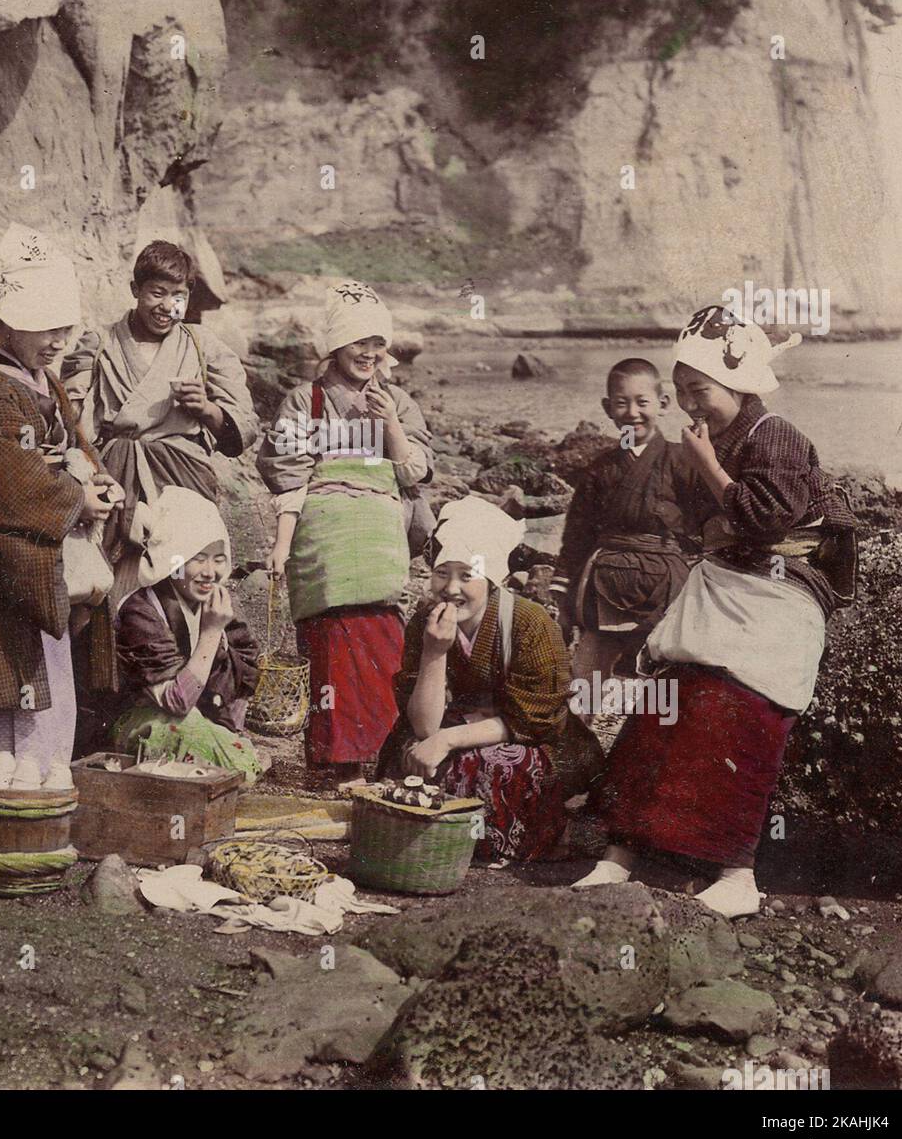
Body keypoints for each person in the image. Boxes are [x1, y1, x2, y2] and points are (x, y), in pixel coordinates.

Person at [574, 306, 858, 917]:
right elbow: (707, 521)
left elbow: (766, 519)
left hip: (781, 595)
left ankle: (737, 873)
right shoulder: (723, 437)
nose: (690, 405)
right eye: (681, 394)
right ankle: (623, 852)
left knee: (741, 713)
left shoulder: (774, 434)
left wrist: (706, 470)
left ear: (739, 386)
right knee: (666, 708)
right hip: (729, 585)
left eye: (698, 391)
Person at [0, 226, 119, 781]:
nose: (58, 339)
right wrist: (77, 498)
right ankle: (6, 800)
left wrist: (99, 480)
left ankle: (36, 791)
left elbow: (75, 445)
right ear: (5, 322)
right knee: (9, 678)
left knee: (42, 674)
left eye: (64, 326)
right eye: (43, 327)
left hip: (36, 549)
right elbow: (6, 478)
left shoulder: (37, 377)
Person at [258, 280, 434, 785]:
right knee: (331, 642)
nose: (370, 353)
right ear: (335, 345)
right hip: (325, 540)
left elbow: (415, 475)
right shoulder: (304, 400)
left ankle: (379, 757)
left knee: (382, 645)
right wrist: (281, 546)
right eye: (360, 343)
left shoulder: (397, 400)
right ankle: (335, 762)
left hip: (380, 537)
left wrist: (391, 426)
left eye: (378, 344)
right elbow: (289, 476)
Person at [60, 240, 258, 617]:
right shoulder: (98, 343)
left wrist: (207, 408)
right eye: (157, 293)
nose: (168, 307)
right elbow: (71, 417)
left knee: (180, 582)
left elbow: (245, 427)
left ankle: (182, 671)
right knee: (111, 585)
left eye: (179, 296)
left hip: (183, 478)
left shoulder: (204, 347)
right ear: (135, 290)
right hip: (115, 477)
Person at [377, 497, 576, 861]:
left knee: (496, 763)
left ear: (492, 577)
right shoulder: (426, 622)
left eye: (467, 576)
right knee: (414, 756)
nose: (451, 589)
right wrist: (435, 652)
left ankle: (495, 846)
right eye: (442, 573)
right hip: (447, 723)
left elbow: (534, 718)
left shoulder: (531, 624)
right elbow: (423, 725)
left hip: (520, 733)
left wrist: (449, 740)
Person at [549, 357, 697, 736]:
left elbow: (702, 531)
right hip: (605, 587)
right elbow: (576, 536)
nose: (632, 413)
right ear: (607, 408)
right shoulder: (600, 469)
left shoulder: (682, 460)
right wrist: (563, 601)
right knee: (584, 685)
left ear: (663, 404)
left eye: (642, 402)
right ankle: (571, 762)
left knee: (665, 686)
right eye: (621, 403)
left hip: (666, 587)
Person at [90, 486, 263, 782]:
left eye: (218, 558)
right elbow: (177, 702)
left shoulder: (215, 604)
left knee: (213, 738)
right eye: (198, 558)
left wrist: (229, 734)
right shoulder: (141, 610)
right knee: (188, 728)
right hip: (142, 722)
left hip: (198, 721)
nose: (210, 572)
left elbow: (237, 683)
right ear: (173, 559)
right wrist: (210, 633)